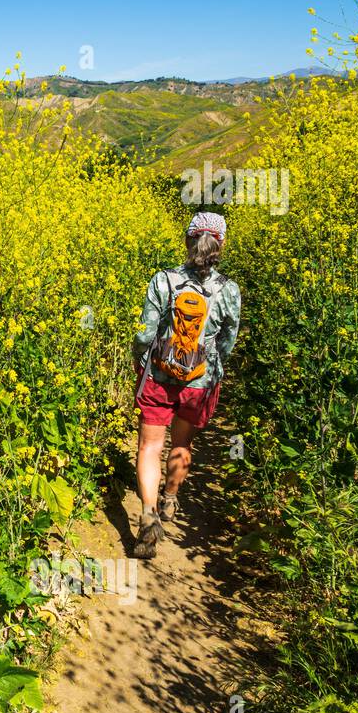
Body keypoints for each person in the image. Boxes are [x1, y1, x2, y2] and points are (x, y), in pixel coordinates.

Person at [130, 212, 241, 559]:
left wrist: (138, 357)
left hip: (160, 376)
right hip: (200, 381)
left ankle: (147, 518)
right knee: (182, 443)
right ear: (220, 245)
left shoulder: (163, 280)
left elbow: (146, 334)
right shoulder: (229, 290)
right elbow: (228, 341)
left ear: (186, 240)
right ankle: (170, 500)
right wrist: (212, 368)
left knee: (149, 447)